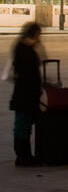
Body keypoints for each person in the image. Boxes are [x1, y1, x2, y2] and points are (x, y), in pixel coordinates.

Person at [8, 21, 44, 166]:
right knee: (23, 125)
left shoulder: (22, 48)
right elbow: (28, 74)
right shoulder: (25, 51)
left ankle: (23, 155)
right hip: (25, 95)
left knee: (24, 125)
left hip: (25, 94)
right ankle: (24, 155)